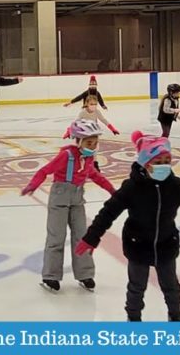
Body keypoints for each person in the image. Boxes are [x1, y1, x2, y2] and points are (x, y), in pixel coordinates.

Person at [74, 131, 180, 322]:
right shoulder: (132, 187)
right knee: (136, 287)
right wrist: (91, 238)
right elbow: (108, 213)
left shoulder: (175, 186)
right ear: (145, 164)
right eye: (157, 161)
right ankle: (134, 318)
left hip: (166, 245)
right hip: (137, 245)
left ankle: (175, 317)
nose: (163, 165)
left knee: (171, 287)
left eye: (166, 160)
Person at [21, 119, 115, 292]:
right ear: (78, 140)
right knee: (56, 237)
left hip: (77, 200)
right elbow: (45, 171)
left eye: (95, 143)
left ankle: (85, 273)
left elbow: (95, 176)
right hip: (59, 199)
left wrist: (113, 192)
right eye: (88, 142)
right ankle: (51, 276)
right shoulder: (66, 156)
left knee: (82, 236)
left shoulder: (88, 158)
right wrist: (33, 185)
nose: (92, 146)